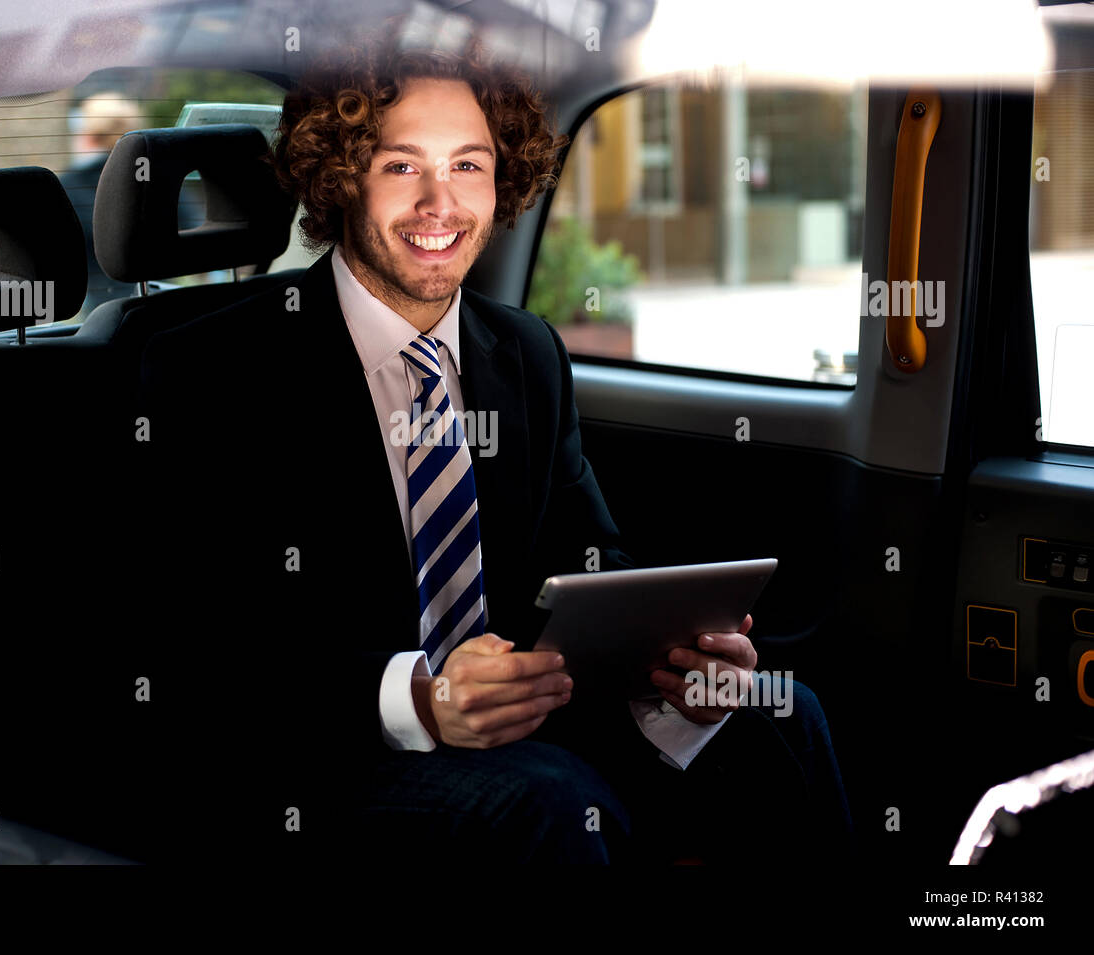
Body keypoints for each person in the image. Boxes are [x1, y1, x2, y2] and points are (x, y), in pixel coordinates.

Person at [138, 38, 851, 863]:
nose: (441, 204)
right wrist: (419, 697)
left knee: (781, 712)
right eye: (404, 167)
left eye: (469, 166)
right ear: (341, 177)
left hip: (530, 717)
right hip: (332, 757)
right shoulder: (208, 369)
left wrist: (671, 663)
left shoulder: (525, 353)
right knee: (546, 801)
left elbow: (590, 562)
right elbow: (189, 646)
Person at [59, 93, 145, 316]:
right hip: (159, 302)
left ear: (88, 136)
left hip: (99, 313)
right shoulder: (155, 175)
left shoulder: (69, 186)